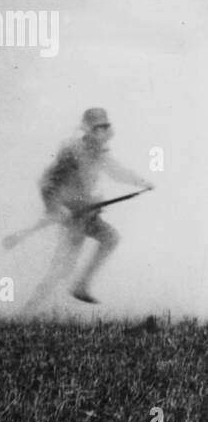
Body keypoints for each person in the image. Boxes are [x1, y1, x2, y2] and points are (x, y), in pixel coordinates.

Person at [25, 107, 154, 307]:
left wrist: (141, 182)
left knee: (110, 238)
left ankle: (81, 285)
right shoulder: (71, 151)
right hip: (73, 217)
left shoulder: (99, 153)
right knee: (61, 270)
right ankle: (28, 311)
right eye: (98, 128)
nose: (102, 133)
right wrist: (56, 208)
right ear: (88, 130)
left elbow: (116, 172)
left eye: (104, 127)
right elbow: (47, 182)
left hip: (87, 215)